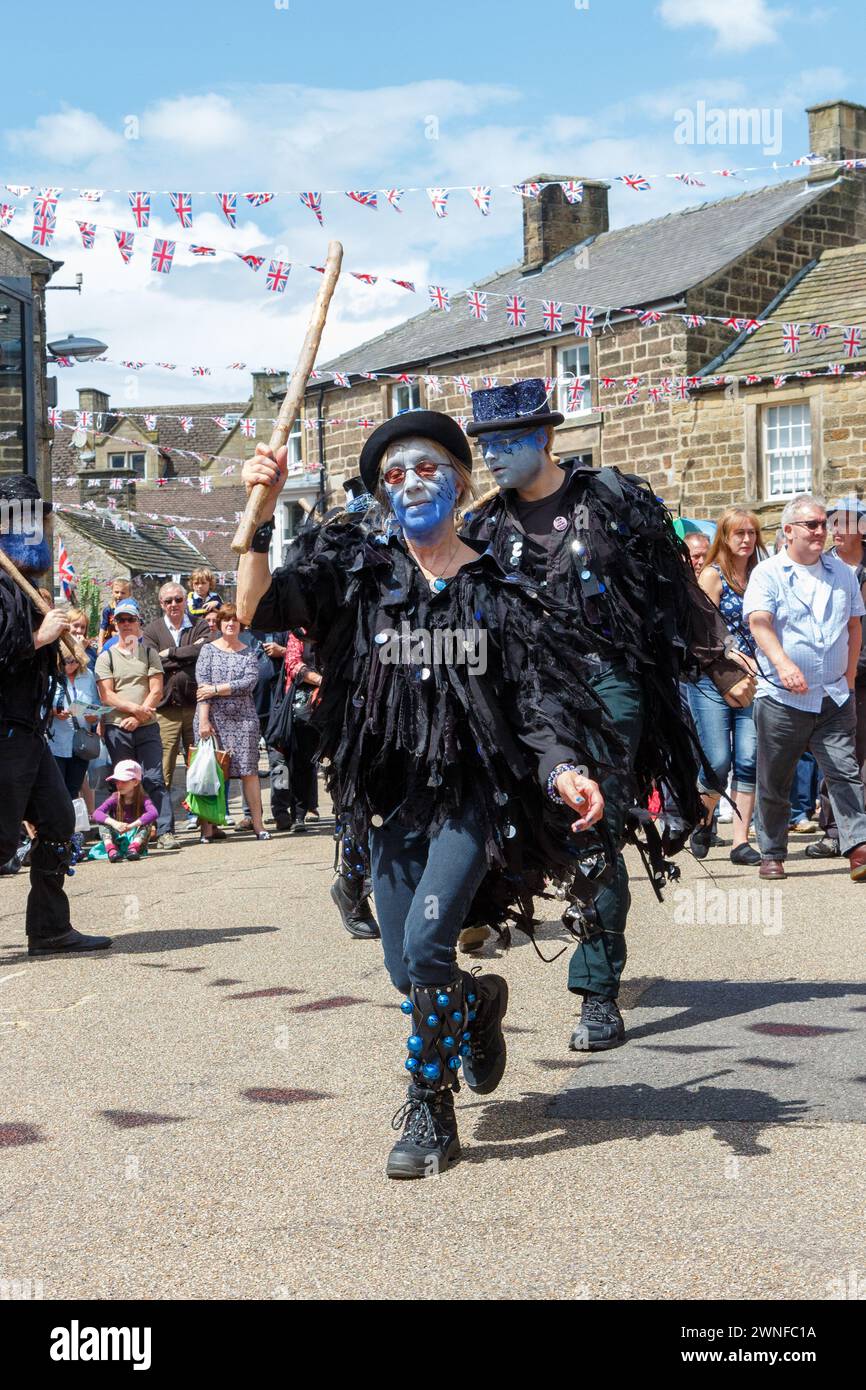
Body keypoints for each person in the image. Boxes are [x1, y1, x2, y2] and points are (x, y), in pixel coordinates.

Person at [237, 410, 616, 1179]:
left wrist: (562, 770)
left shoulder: (499, 589)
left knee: (426, 944)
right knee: (404, 970)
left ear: (461, 483)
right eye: (396, 475)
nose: (411, 482)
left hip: (471, 798)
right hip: (387, 799)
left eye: (428, 468)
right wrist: (261, 511)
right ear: (384, 495)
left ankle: (428, 1105)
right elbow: (257, 607)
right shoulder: (360, 575)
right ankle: (475, 1008)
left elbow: (537, 700)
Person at [460, 380, 756, 1051]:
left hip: (606, 687)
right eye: (487, 446)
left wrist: (719, 660)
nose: (495, 457)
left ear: (544, 438)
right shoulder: (482, 528)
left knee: (593, 826)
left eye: (508, 442)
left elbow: (673, 588)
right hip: (521, 700)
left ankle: (596, 992)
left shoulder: (613, 502)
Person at [0, 473, 111, 955]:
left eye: (38, 518)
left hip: (28, 732)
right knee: (0, 843)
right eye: (24, 518)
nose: (36, 528)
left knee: (58, 820)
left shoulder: (27, 588)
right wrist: (40, 637)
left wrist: (61, 647)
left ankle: (48, 929)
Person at [743, 494, 866, 881]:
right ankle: (773, 852)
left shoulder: (842, 572)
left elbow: (854, 626)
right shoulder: (769, 573)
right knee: (775, 779)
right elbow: (759, 622)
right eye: (811, 524)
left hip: (832, 697)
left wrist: (847, 678)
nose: (820, 531)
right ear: (789, 530)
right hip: (783, 699)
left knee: (845, 773)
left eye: (823, 524)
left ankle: (859, 847)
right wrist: (782, 664)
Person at [687, 509, 763, 867]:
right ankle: (703, 819)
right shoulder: (711, 576)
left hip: (752, 678)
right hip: (710, 679)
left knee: (748, 759)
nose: (746, 539)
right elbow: (703, 632)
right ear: (725, 537)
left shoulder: (762, 576)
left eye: (751, 533)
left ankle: (740, 842)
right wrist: (739, 655)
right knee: (717, 761)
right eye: (739, 533)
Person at [806, 495, 866, 860]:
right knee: (837, 753)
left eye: (844, 522)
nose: (835, 530)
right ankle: (834, 831)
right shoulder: (821, 567)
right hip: (835, 673)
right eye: (832, 522)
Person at [94, 599, 178, 850]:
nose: (126, 624)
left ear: (138, 622)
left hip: (146, 726)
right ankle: (126, 834)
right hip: (117, 728)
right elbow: (106, 695)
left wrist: (139, 716)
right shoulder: (105, 656)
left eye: (130, 619)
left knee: (153, 778)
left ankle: (164, 831)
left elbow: (156, 690)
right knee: (123, 783)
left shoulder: (149, 653)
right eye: (121, 620)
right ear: (114, 625)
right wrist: (132, 711)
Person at [194, 605, 270, 841]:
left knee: (249, 772)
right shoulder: (207, 650)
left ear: (241, 625)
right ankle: (207, 828)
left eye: (235, 621)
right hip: (213, 720)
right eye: (226, 620)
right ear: (219, 623)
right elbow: (202, 689)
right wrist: (204, 721)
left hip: (243, 720)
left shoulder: (249, 652)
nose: (231, 624)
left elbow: (249, 683)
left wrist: (217, 689)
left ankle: (258, 824)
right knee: (211, 772)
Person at [141, 582, 212, 816]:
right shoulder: (152, 630)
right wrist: (188, 654)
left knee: (199, 764)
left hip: (196, 706)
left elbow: (204, 652)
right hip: (166, 709)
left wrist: (171, 653)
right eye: (168, 600)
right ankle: (162, 823)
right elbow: (152, 663)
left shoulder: (200, 625)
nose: (174, 604)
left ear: (185, 601)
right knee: (164, 769)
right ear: (161, 604)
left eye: (178, 599)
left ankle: (203, 820)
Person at [281, 630, 321, 832]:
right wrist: (320, 680)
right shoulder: (297, 633)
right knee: (300, 763)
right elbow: (293, 665)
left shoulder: (335, 624)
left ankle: (345, 812)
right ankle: (298, 814)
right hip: (304, 706)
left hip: (335, 699)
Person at [90, 759, 158, 861]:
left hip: (136, 839)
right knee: (103, 820)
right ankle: (111, 850)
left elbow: (154, 813)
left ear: (135, 782)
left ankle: (133, 849)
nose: (119, 785)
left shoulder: (144, 798)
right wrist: (114, 823)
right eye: (117, 781)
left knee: (147, 821)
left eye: (124, 781)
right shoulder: (114, 797)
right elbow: (96, 813)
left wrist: (131, 826)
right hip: (118, 838)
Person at [98, 577, 132, 652]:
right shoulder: (109, 609)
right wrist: (100, 645)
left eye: (123, 593)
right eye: (116, 592)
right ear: (112, 592)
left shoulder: (132, 610)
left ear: (129, 594)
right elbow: (103, 627)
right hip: (111, 641)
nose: (119, 595)